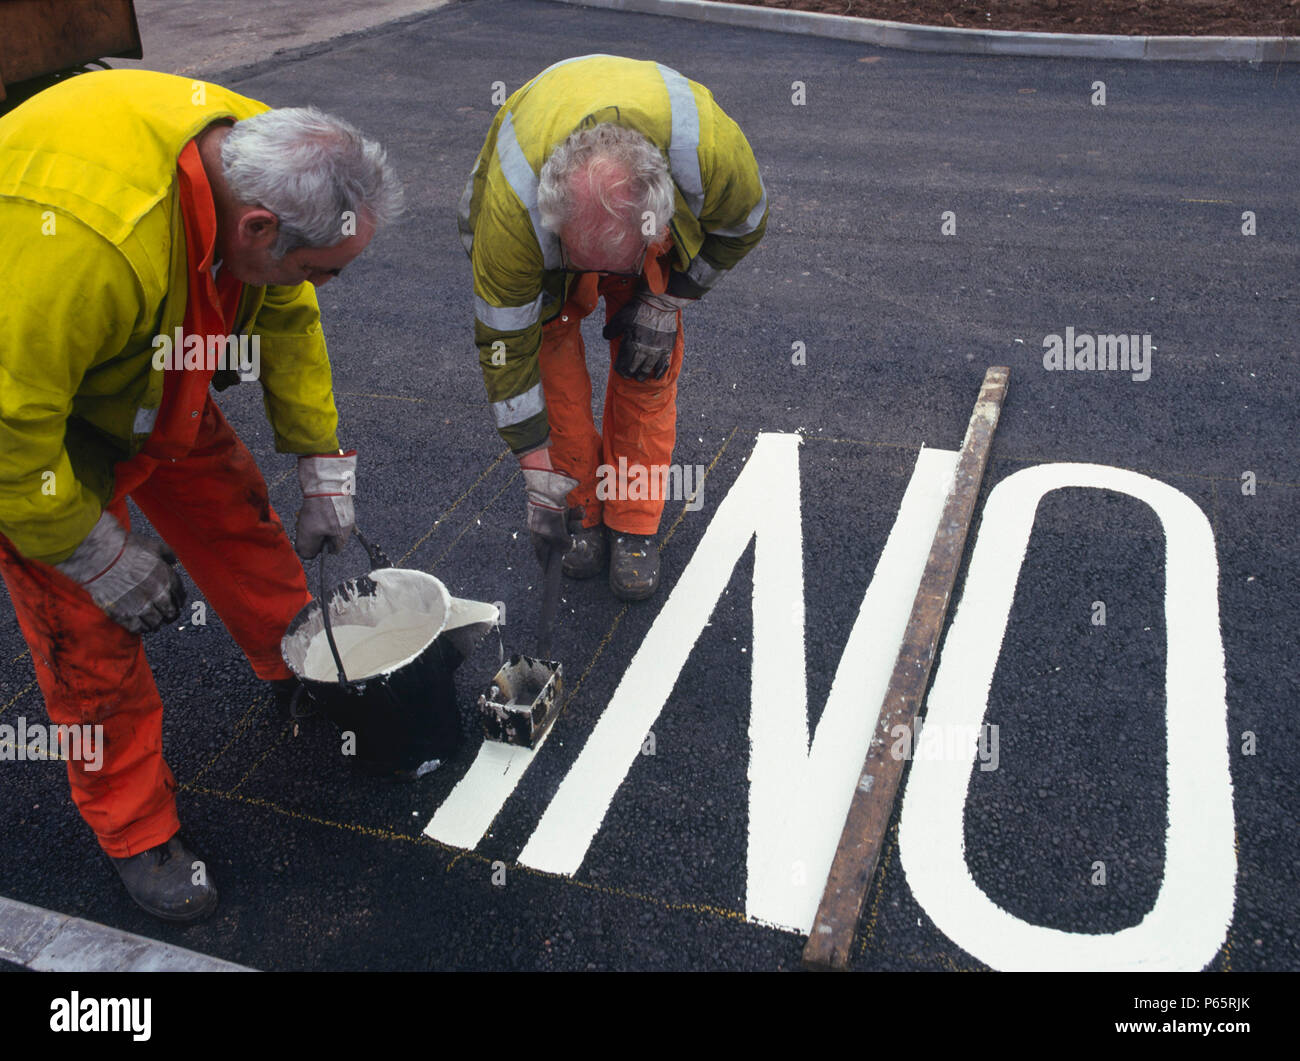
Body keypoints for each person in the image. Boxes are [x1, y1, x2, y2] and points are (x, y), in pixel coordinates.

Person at [0, 69, 402, 921]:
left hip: (144, 344)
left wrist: (321, 463)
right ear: (257, 228)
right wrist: (94, 549)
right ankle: (135, 827)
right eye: (322, 269)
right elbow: (9, 436)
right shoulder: (88, 247)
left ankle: (295, 656)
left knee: (230, 500)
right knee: (89, 628)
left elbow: (285, 307)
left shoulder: (261, 151)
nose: (323, 286)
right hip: (29, 417)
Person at [459, 54, 766, 600]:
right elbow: (504, 348)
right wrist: (537, 479)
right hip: (545, 252)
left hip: (633, 236)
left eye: (612, 264)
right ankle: (577, 504)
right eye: (586, 260)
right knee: (551, 365)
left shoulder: (710, 154)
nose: (600, 278)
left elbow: (744, 228)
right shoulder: (514, 221)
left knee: (647, 365)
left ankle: (634, 524)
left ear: (659, 220)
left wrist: (668, 300)